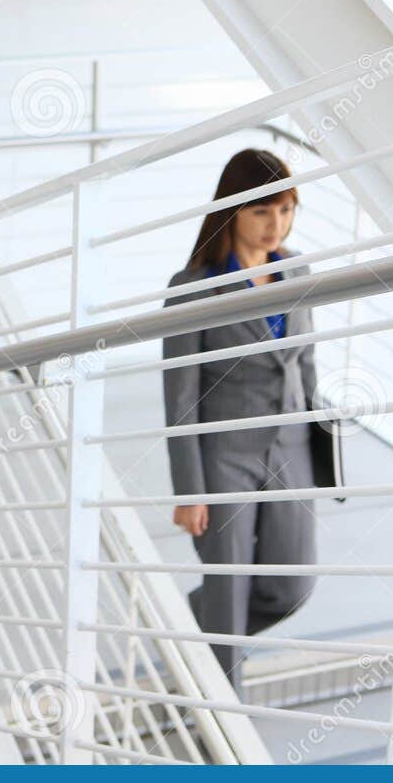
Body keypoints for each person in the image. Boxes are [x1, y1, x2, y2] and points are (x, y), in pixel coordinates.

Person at [160, 147, 319, 698]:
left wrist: (321, 447)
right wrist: (190, 490)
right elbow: (179, 396)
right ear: (232, 212)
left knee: (293, 585)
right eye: (262, 212)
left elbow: (307, 361)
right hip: (224, 459)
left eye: (286, 209)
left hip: (291, 451)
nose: (276, 224)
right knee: (229, 600)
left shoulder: (297, 269)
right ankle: (223, 723)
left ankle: (198, 626)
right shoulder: (193, 287)